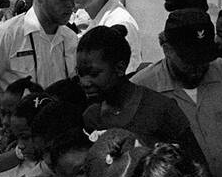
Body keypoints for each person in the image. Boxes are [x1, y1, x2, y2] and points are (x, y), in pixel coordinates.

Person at [131, 9, 222, 177]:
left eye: (205, 59)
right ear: (167, 49)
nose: (198, 68)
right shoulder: (141, 89)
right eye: (189, 60)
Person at [76, 26, 206, 167]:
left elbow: (198, 168)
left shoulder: (161, 109)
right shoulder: (92, 118)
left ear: (119, 68)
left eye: (94, 74)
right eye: (80, 74)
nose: (84, 82)